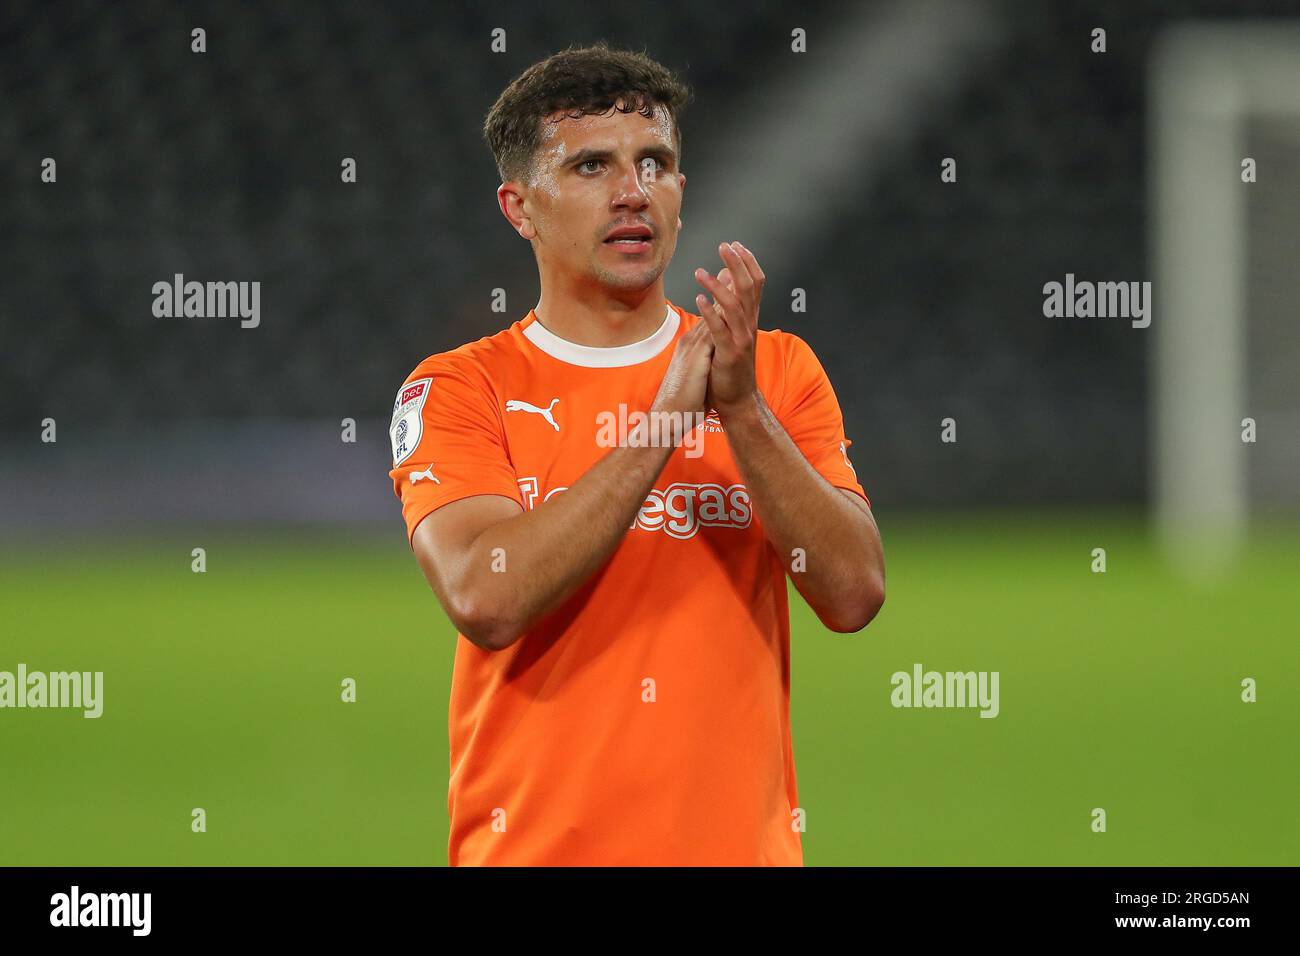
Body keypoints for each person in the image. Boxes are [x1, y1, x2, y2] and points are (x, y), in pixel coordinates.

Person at [388, 42, 885, 866]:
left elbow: (854, 594)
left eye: (654, 162)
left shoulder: (775, 373)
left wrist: (741, 412)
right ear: (520, 207)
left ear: (681, 191)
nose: (632, 191)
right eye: (590, 166)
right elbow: (485, 595)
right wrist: (659, 429)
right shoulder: (459, 388)